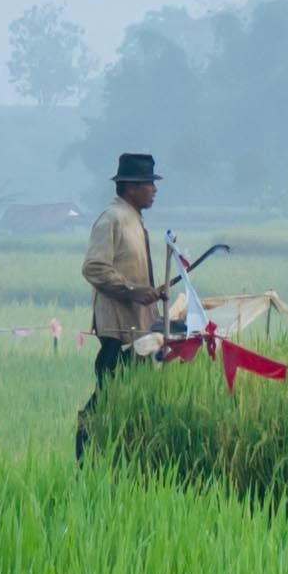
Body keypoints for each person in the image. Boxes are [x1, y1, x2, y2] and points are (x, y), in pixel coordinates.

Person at [82, 150, 185, 394]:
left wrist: (149, 292)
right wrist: (132, 290)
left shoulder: (133, 219)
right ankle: (87, 433)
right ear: (131, 187)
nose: (154, 189)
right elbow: (93, 267)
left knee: (133, 394)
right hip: (119, 331)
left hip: (138, 328)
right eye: (149, 183)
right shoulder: (113, 218)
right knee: (110, 397)